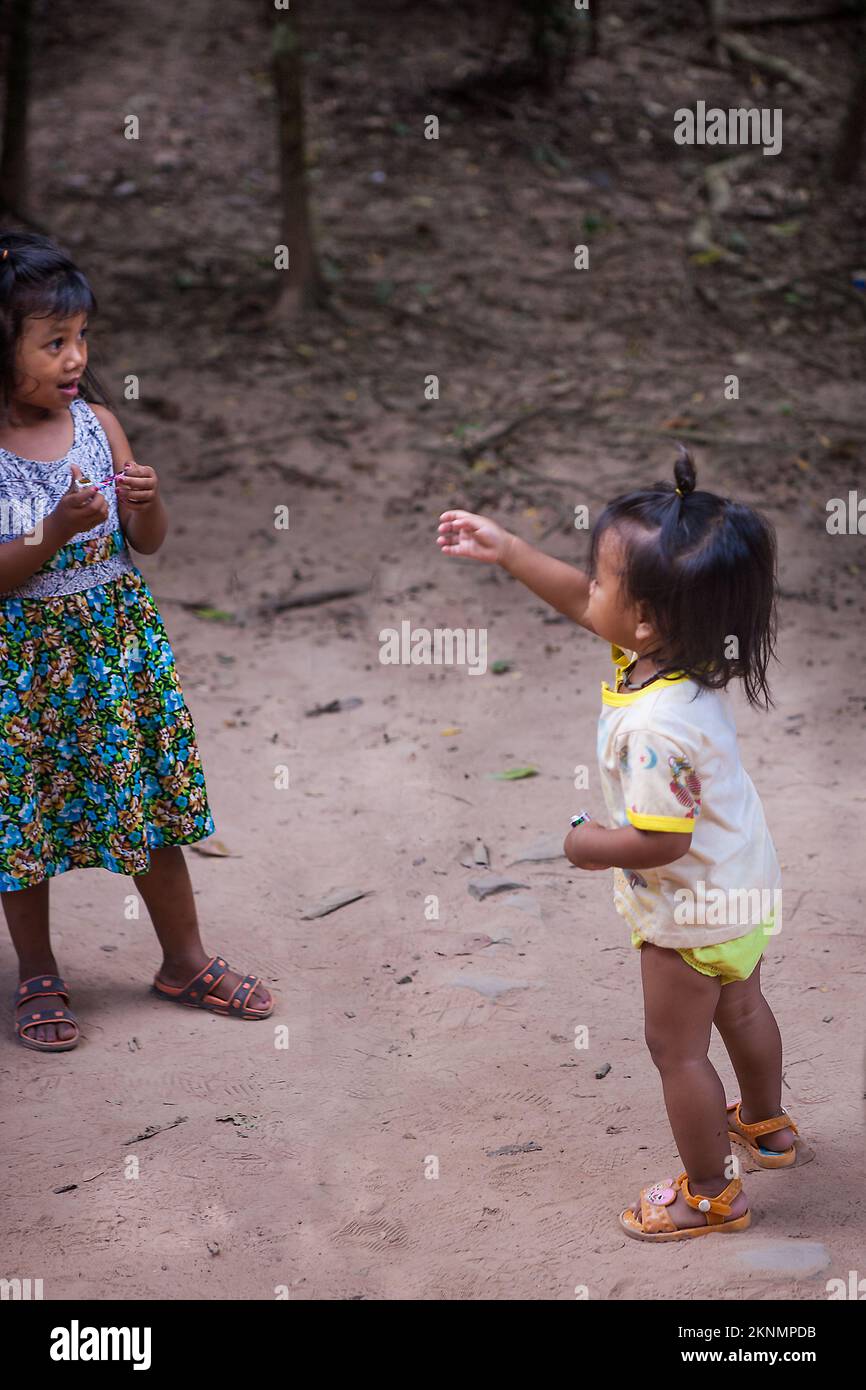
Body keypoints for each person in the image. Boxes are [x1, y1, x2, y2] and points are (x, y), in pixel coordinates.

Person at [437, 446, 804, 1241]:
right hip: (744, 880)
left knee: (676, 1051)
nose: (587, 587)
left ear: (643, 618)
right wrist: (507, 551)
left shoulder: (652, 727)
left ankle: (710, 1192)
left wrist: (587, 844)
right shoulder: (686, 655)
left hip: (689, 906)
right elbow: (586, 601)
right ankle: (768, 1126)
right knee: (742, 1003)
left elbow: (660, 839)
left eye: (601, 578)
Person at [0, 232, 273, 1052]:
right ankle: (39, 972)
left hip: (116, 652)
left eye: (82, 337)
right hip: (23, 667)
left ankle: (184, 961)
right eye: (54, 342)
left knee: (149, 805)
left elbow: (146, 542)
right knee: (24, 820)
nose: (76, 356)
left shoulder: (99, 424)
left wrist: (145, 500)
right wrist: (50, 534)